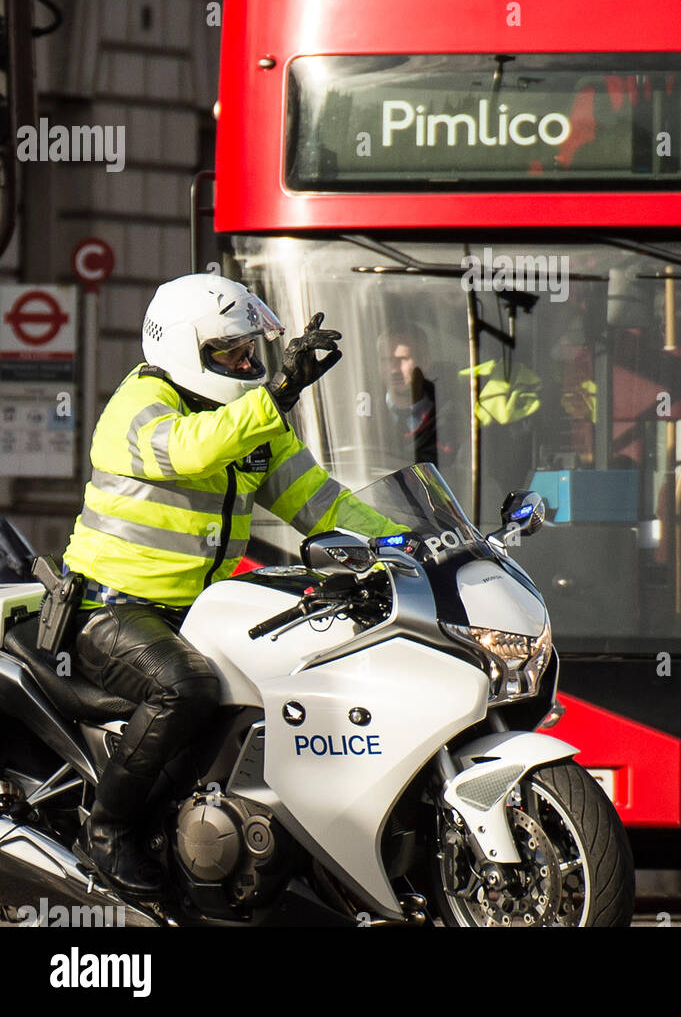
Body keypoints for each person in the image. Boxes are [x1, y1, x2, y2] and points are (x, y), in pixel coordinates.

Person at [61, 274, 402, 897]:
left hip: (195, 611)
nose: (245, 364)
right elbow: (190, 451)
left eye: (250, 352)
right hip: (110, 610)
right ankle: (108, 832)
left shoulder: (247, 425)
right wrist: (276, 391)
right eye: (229, 353)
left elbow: (319, 500)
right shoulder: (140, 406)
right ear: (181, 348)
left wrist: (402, 546)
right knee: (186, 688)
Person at [377, 324, 441, 465]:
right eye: (386, 360)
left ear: (425, 361)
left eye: (403, 359)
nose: (394, 370)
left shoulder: (448, 420)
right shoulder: (365, 418)